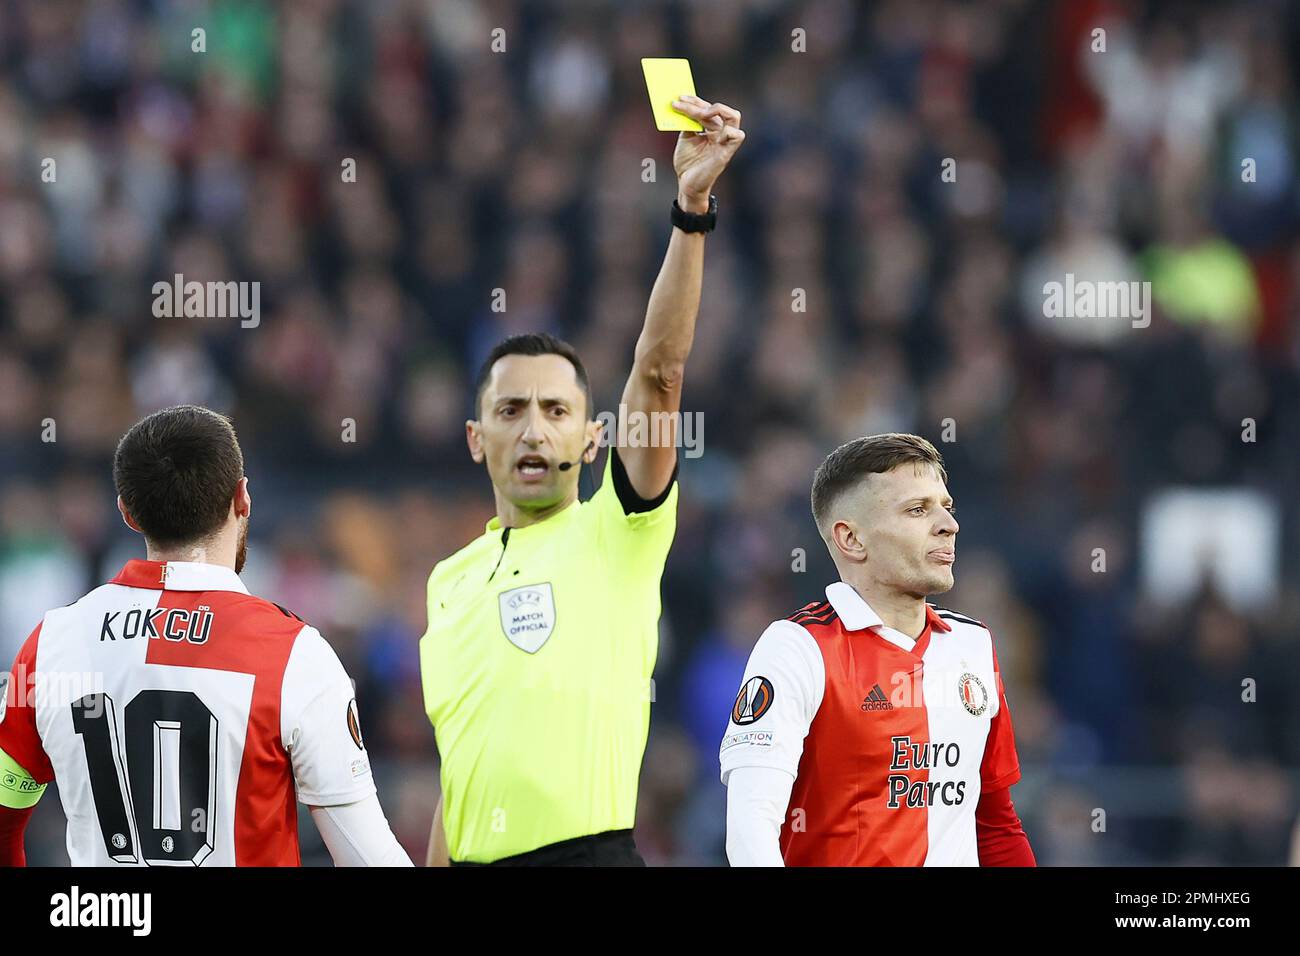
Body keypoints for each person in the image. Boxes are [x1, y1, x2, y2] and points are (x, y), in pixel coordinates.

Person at [421, 94, 745, 866]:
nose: (534, 428)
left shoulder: (617, 531)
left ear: (594, 436)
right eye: (511, 410)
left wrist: (691, 210)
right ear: (476, 439)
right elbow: (458, 775)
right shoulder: (446, 582)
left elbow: (659, 374)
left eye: (557, 409)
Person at [0, 405, 411, 867]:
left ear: (128, 513)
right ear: (242, 499)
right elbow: (368, 856)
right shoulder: (295, 654)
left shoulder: (51, 644)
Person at [721, 433, 1035, 866]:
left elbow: (996, 826)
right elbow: (750, 832)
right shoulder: (797, 647)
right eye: (917, 510)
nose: (948, 524)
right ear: (851, 539)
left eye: (947, 507)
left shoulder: (974, 644)